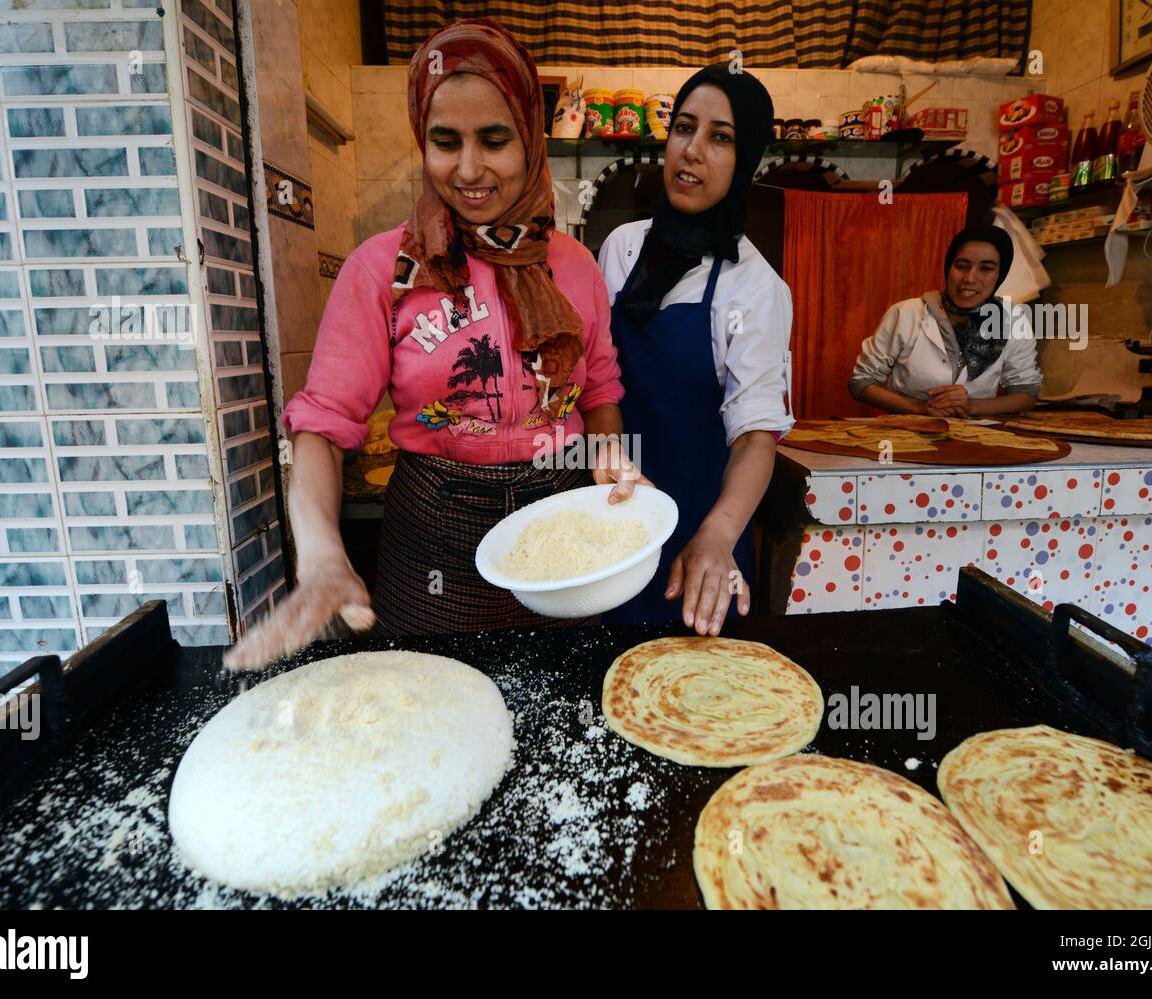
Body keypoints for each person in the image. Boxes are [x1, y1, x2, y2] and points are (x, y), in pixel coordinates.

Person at [224, 19, 640, 669]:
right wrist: (324, 556)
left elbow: (601, 391)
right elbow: (323, 426)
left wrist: (610, 459)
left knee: (565, 705)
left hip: (560, 530)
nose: (469, 169)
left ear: (530, 138)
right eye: (446, 141)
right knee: (437, 704)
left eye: (495, 140)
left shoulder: (575, 267)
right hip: (435, 542)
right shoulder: (382, 269)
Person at [597, 65, 794, 637]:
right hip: (615, 515)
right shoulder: (620, 249)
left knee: (691, 705)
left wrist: (716, 535)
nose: (693, 152)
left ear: (747, 158)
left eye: (721, 137)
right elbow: (596, 377)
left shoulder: (755, 287)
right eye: (684, 128)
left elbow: (758, 434)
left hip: (703, 532)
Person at [849, 226, 1042, 418]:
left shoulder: (1013, 320)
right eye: (961, 266)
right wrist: (920, 408)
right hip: (907, 432)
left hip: (978, 437)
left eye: (986, 269)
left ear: (1000, 275)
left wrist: (970, 407)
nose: (969, 278)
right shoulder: (906, 313)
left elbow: (1026, 393)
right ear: (948, 267)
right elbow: (861, 382)